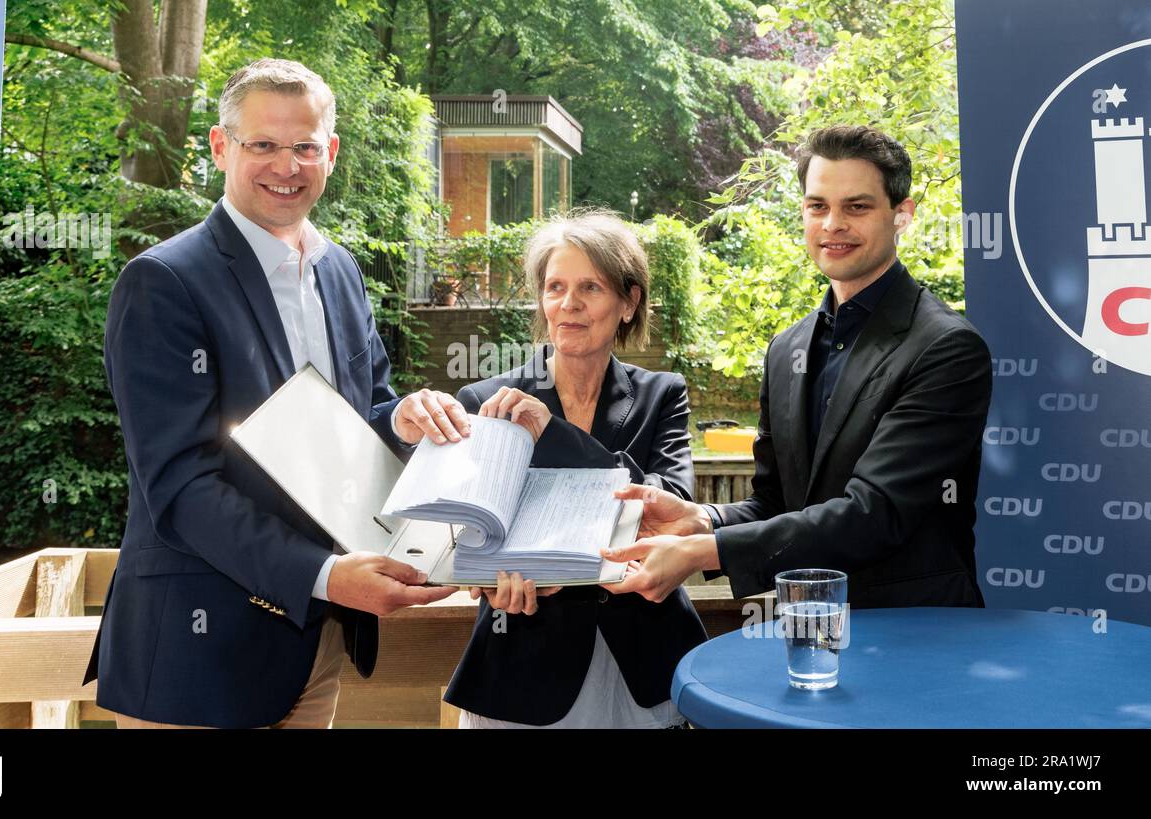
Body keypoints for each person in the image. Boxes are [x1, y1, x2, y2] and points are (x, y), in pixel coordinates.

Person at [83, 59, 468, 729]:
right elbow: (180, 486)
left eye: (305, 147)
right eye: (263, 144)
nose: (285, 165)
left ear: (332, 153)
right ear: (220, 146)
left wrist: (401, 418)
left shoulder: (341, 270)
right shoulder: (162, 283)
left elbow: (358, 422)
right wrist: (325, 573)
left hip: (318, 645)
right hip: (199, 656)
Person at [604, 125, 993, 610]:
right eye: (817, 206)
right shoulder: (787, 348)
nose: (833, 224)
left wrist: (704, 550)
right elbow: (776, 505)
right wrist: (702, 519)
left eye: (857, 206)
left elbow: (874, 515)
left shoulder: (946, 348)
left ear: (902, 216)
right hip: (810, 632)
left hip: (919, 634)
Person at [443, 211, 708, 728]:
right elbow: (471, 532)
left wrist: (555, 434)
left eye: (591, 287)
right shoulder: (486, 402)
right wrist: (488, 579)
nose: (569, 304)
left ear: (629, 302)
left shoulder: (663, 394)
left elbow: (664, 501)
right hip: (522, 662)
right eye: (555, 286)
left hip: (645, 659)